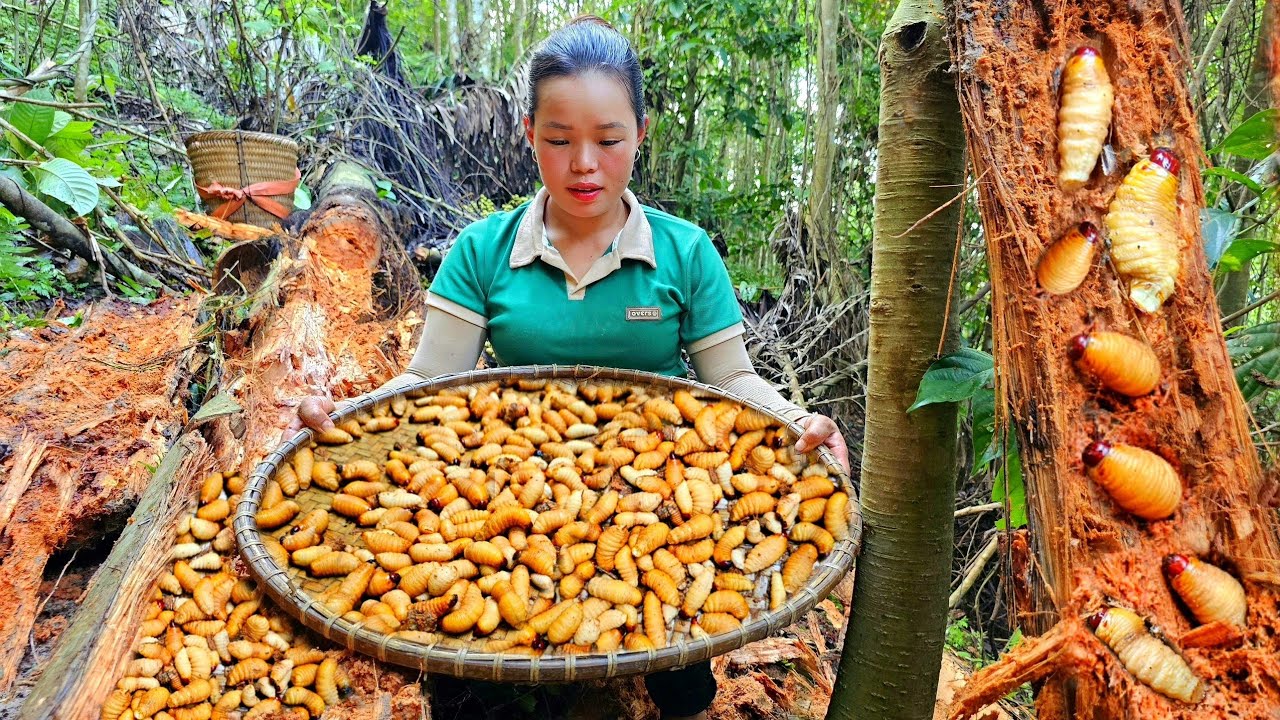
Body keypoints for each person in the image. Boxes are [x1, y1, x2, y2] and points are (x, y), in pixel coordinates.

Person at [290, 15, 849, 720]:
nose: (584, 164)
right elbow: (428, 383)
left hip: (662, 489)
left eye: (609, 140)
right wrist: (344, 416)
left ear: (641, 136)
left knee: (680, 661)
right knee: (498, 674)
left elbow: (731, 380)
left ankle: (676, 684)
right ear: (528, 134)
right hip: (506, 490)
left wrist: (799, 421)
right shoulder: (482, 251)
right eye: (558, 141)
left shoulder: (684, 253)